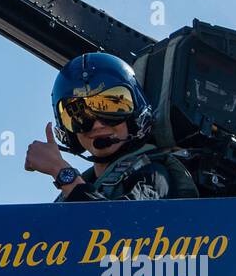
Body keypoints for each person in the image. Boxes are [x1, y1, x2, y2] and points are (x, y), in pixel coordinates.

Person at [25, 52, 197, 202]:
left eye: (111, 108)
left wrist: (61, 171)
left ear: (134, 115)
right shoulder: (84, 185)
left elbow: (119, 228)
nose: (98, 124)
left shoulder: (154, 174)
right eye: (80, 116)